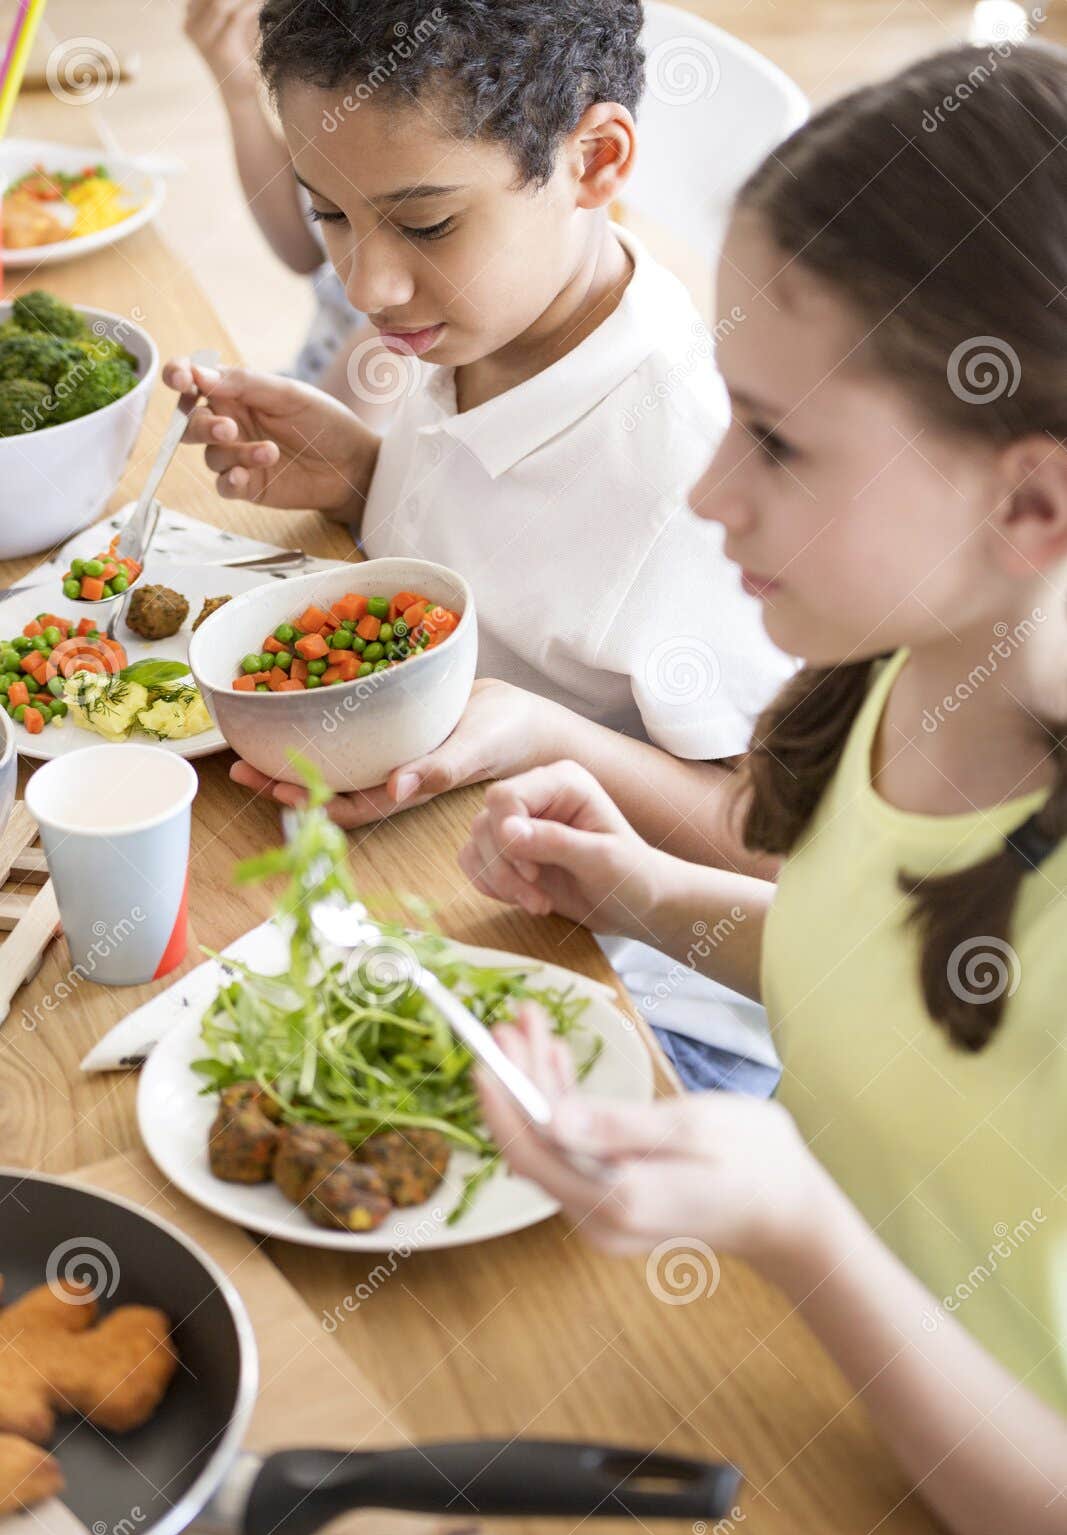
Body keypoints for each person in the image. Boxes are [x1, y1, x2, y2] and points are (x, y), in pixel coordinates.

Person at [463, 43, 1067, 1535]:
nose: (708, 492)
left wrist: (799, 1225)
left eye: (778, 442)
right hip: (777, 1411)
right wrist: (637, 888)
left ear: (1029, 506)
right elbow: (890, 991)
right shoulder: (907, 671)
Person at [166, 0, 795, 1094]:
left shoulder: (691, 477)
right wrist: (367, 477)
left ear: (593, 159)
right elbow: (515, 559)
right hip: (439, 854)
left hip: (642, 1001)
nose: (366, 287)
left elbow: (782, 850)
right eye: (329, 217)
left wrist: (548, 740)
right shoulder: (490, 316)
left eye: (421, 226)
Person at [182, 0, 371, 406]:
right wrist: (240, 95)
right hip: (312, 388)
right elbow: (301, 249)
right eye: (330, 212)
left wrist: (317, 445)